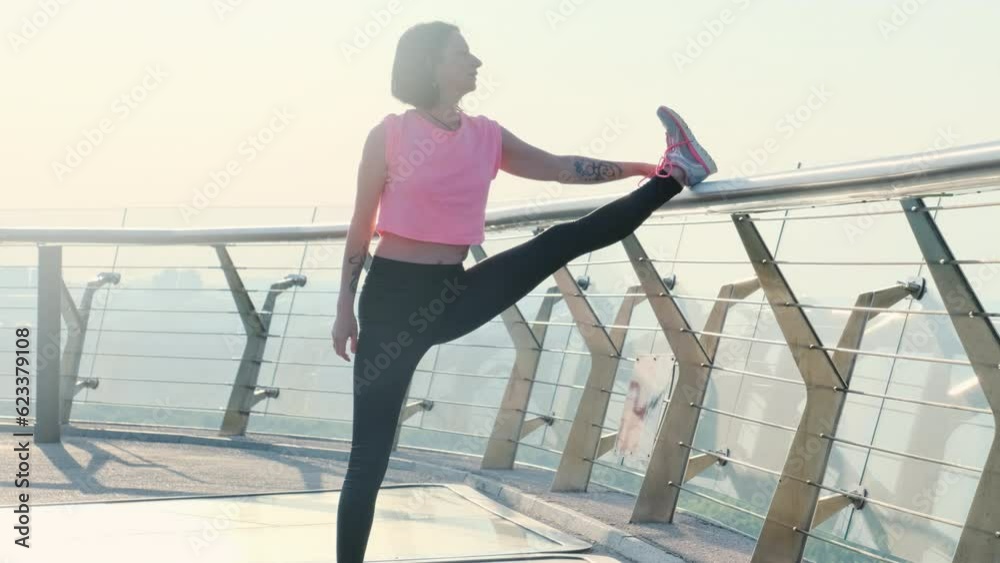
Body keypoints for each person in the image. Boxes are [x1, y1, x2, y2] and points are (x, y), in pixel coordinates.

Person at [330, 20, 716, 562]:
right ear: (430, 65)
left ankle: (675, 173)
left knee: (559, 240)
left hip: (452, 292)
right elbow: (361, 225)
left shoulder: (486, 134)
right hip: (390, 304)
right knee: (368, 457)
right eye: (462, 54)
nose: (476, 62)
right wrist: (344, 308)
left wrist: (642, 168)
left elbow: (560, 168)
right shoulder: (390, 134)